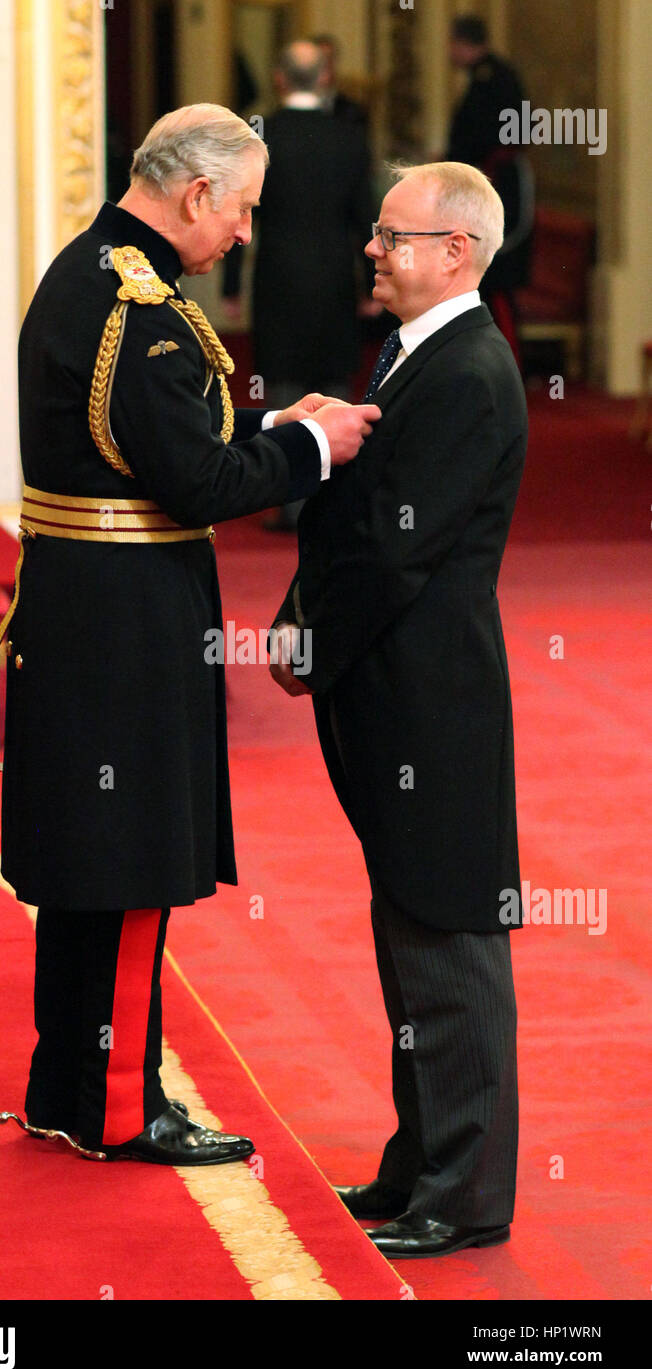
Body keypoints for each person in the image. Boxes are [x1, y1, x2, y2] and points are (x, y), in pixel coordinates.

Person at [0, 104, 379, 1167]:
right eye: (241, 210)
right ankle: (114, 1104)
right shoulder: (141, 310)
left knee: (82, 869)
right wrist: (311, 451)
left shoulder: (97, 270)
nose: (245, 233)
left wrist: (273, 424)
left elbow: (161, 442)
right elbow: (196, 480)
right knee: (127, 864)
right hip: (127, 621)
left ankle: (65, 1082)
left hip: (83, 606)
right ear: (197, 194)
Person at [270, 161, 527, 1257]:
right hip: (393, 692)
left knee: (447, 935)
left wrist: (303, 639)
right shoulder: (409, 349)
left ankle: (464, 1191)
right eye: (372, 231)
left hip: (435, 705)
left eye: (391, 235)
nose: (369, 249)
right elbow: (347, 514)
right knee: (408, 927)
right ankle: (417, 1160)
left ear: (455, 251)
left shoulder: (468, 370)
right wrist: (294, 609)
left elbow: (392, 545)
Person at [222, 40, 375, 529]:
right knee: (333, 386)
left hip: (278, 276)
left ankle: (287, 500)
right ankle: (329, 499)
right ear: (326, 76)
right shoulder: (349, 137)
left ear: (279, 79)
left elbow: (238, 212)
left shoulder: (258, 135)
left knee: (283, 389)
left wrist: (229, 285)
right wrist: (374, 283)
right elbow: (365, 218)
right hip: (334, 277)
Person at [446, 14, 534, 363]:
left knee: (496, 281)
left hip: (498, 192)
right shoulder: (484, 76)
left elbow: (496, 138)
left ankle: (508, 362)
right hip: (485, 187)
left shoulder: (494, 79)